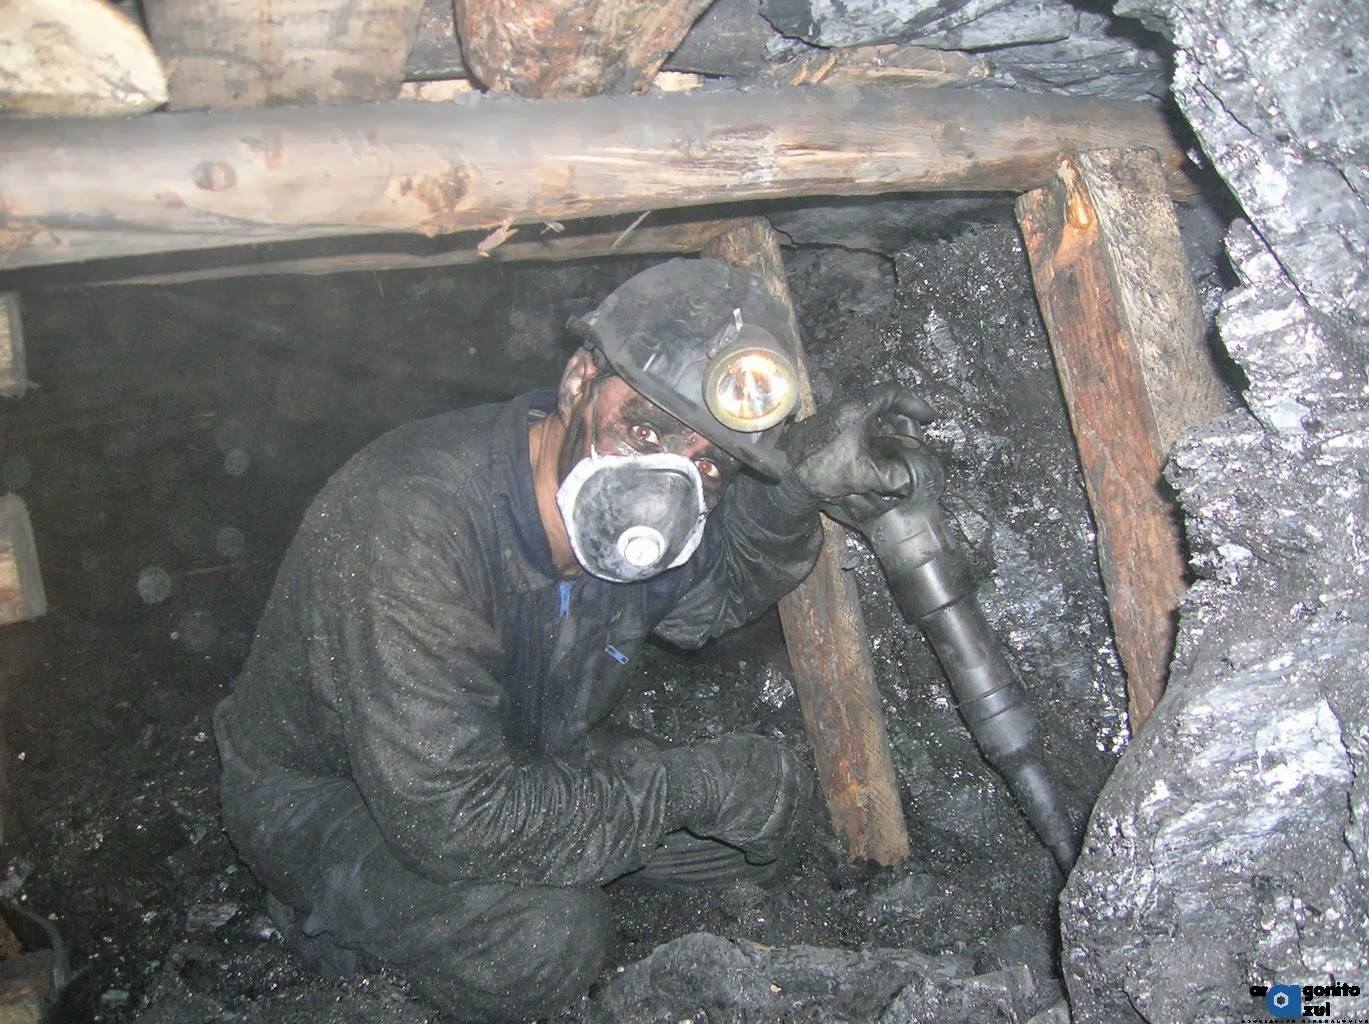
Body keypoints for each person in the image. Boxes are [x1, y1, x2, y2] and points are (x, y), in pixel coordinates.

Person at [213, 257, 929, 1021]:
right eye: (644, 430)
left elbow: (713, 595)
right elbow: (449, 818)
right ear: (579, 380)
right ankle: (333, 936)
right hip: (330, 796)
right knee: (544, 937)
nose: (663, 488)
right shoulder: (412, 523)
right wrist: (686, 787)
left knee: (751, 836)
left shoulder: (628, 516)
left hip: (515, 753)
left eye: (708, 465)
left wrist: (795, 489)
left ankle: (541, 861)